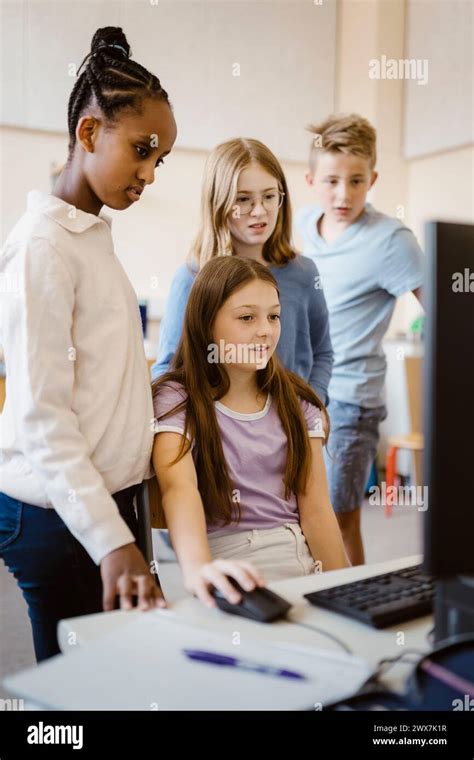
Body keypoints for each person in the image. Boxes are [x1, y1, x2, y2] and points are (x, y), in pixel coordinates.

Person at [0, 26, 177, 661]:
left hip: (109, 499)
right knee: (77, 690)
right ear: (88, 132)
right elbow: (43, 420)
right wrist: (110, 540)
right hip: (56, 514)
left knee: (121, 672)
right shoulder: (40, 247)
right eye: (141, 151)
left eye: (160, 160)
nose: (150, 173)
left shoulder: (89, 235)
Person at [152, 256, 349, 609]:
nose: (266, 330)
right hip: (231, 564)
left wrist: (346, 588)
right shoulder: (176, 398)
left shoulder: (297, 399)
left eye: (274, 316)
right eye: (247, 318)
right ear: (206, 322)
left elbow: (317, 509)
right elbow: (178, 490)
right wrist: (200, 570)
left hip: (301, 558)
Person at [296, 113, 424, 565]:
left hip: (350, 402)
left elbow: (447, 310)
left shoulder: (392, 240)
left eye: (355, 181)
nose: (343, 194)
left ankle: (352, 603)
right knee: (299, 517)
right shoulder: (298, 228)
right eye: (331, 181)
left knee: (337, 518)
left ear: (373, 178)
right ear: (311, 179)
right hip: (298, 394)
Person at [151, 137, 333, 405]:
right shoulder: (193, 277)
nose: (259, 211)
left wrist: (312, 409)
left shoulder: (305, 273)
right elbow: (168, 369)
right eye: (243, 199)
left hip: (293, 430)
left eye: (269, 197)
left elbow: (322, 353)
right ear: (219, 203)